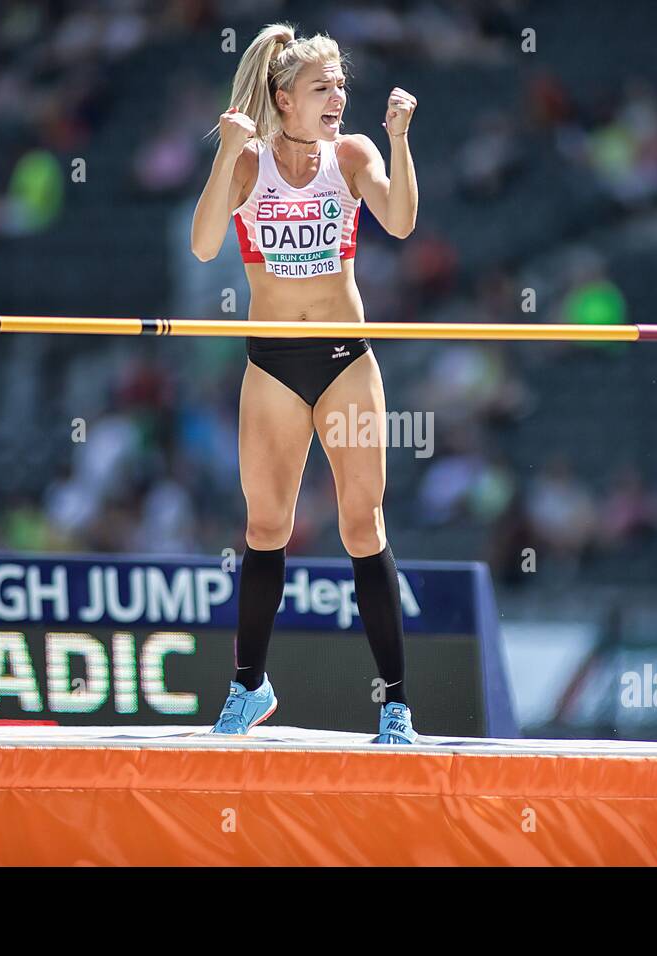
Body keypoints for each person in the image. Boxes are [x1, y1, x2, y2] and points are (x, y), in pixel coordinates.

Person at [190, 23, 419, 743]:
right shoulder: (249, 162)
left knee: (362, 526)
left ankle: (395, 707)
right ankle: (248, 689)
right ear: (283, 98)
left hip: (345, 359)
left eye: (340, 86)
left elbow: (402, 220)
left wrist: (401, 139)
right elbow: (202, 247)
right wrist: (226, 151)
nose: (337, 97)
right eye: (323, 87)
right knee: (265, 528)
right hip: (272, 366)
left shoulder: (351, 154)